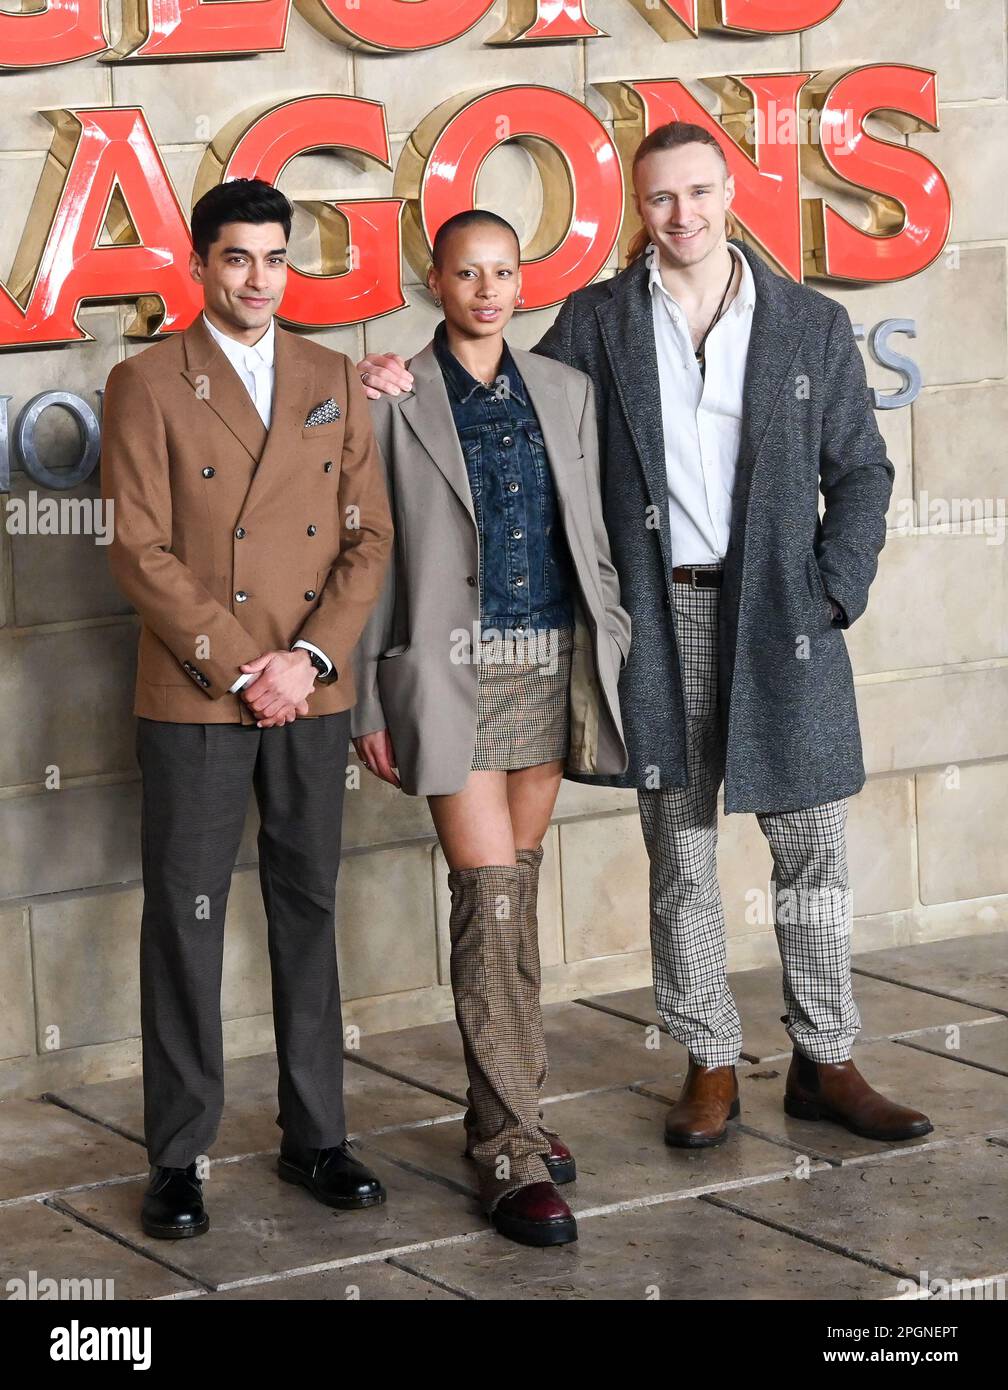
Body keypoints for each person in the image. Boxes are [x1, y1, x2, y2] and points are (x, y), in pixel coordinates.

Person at [357, 123, 932, 1151]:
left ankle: (826, 1054)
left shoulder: (809, 323)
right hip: (658, 617)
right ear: (640, 207)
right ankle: (709, 1056)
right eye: (662, 198)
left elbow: (863, 473)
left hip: (781, 616)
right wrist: (396, 391)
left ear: (730, 191)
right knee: (681, 849)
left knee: (810, 843)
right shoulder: (598, 321)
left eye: (700, 192)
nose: (684, 215)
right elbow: (505, 414)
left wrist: (832, 591)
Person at [100, 177, 394, 1240]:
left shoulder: (330, 375)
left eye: (274, 258)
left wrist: (306, 661)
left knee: (309, 905)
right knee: (187, 919)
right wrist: (243, 663)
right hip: (196, 692)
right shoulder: (143, 381)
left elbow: (368, 537)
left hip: (309, 688)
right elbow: (139, 546)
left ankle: (316, 1132)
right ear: (200, 266)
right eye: (236, 258)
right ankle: (178, 1154)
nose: (258, 279)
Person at [352, 210, 630, 1247]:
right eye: (467, 272)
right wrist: (372, 701)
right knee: (490, 902)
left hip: (550, 665)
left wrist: (616, 649)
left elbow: (591, 537)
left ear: (524, 280)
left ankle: (508, 1106)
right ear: (437, 280)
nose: (487, 289)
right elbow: (365, 556)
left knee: (519, 887)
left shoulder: (565, 390)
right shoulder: (389, 395)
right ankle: (510, 1148)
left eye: (505, 272)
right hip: (451, 674)